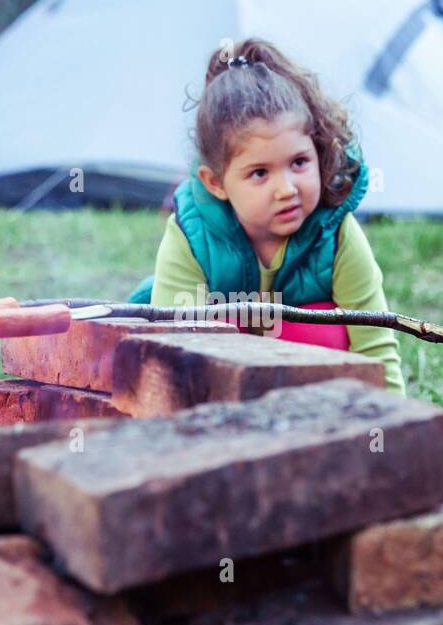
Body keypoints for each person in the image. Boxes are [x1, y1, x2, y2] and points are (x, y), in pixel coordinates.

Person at [130, 38, 404, 394]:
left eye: (299, 163)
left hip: (310, 385)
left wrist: (394, 426)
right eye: (260, 173)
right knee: (201, 327)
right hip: (218, 384)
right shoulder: (190, 233)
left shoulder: (336, 233)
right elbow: (172, 350)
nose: (287, 188)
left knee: (327, 329)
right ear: (216, 183)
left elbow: (375, 347)